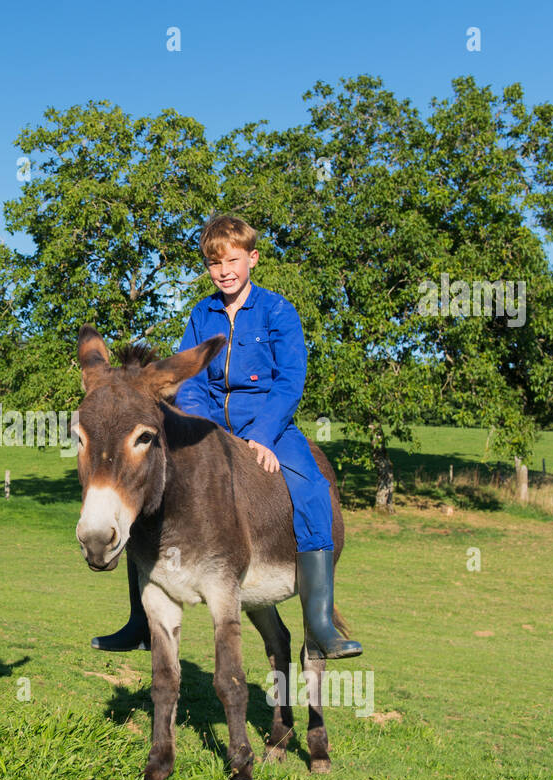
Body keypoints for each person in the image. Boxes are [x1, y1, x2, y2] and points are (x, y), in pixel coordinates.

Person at [92, 215, 361, 659]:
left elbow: (290, 380)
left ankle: (320, 621)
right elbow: (192, 377)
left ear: (252, 259)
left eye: (233, 260)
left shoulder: (278, 311)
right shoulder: (202, 313)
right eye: (215, 264)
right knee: (146, 486)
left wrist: (262, 436)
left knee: (313, 490)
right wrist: (203, 427)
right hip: (211, 422)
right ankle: (140, 621)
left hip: (270, 424)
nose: (225, 271)